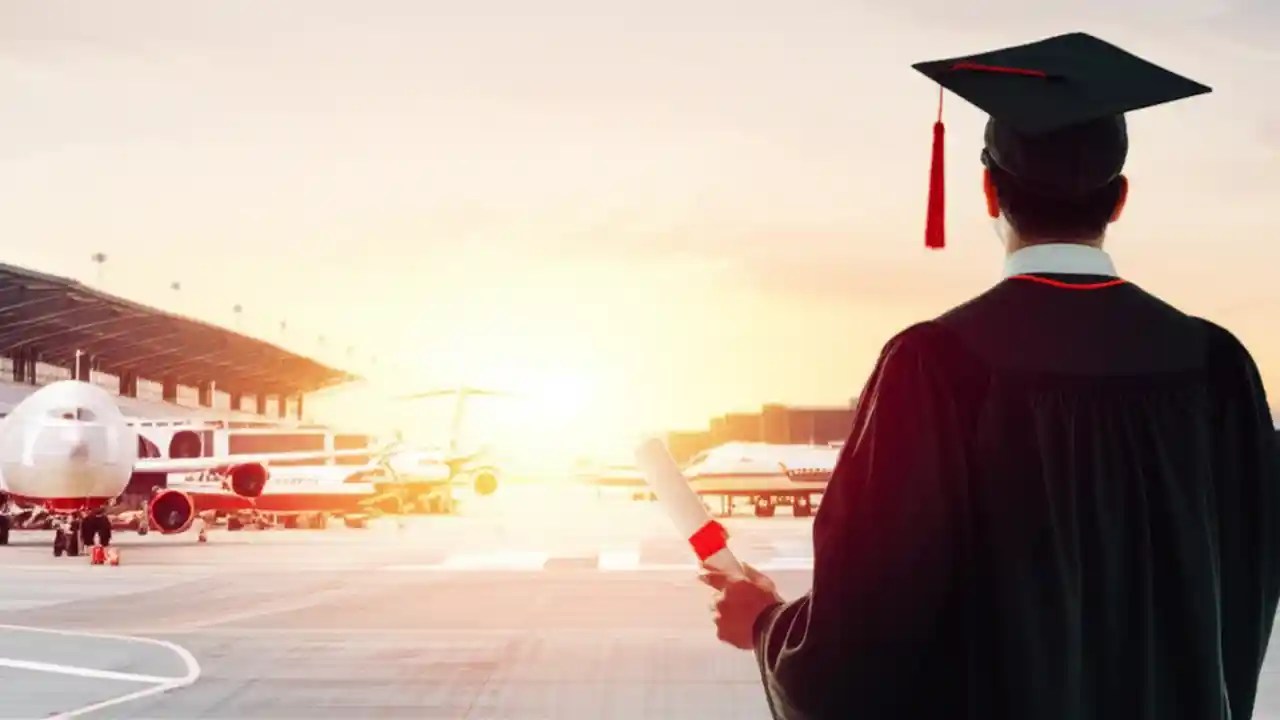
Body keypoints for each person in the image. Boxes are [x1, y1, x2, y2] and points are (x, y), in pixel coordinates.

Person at [700, 32, 1280, 719]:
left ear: (987, 191)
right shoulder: (1216, 367)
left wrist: (766, 625)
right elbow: (1243, 598)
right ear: (1121, 198)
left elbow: (857, 648)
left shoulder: (933, 367)